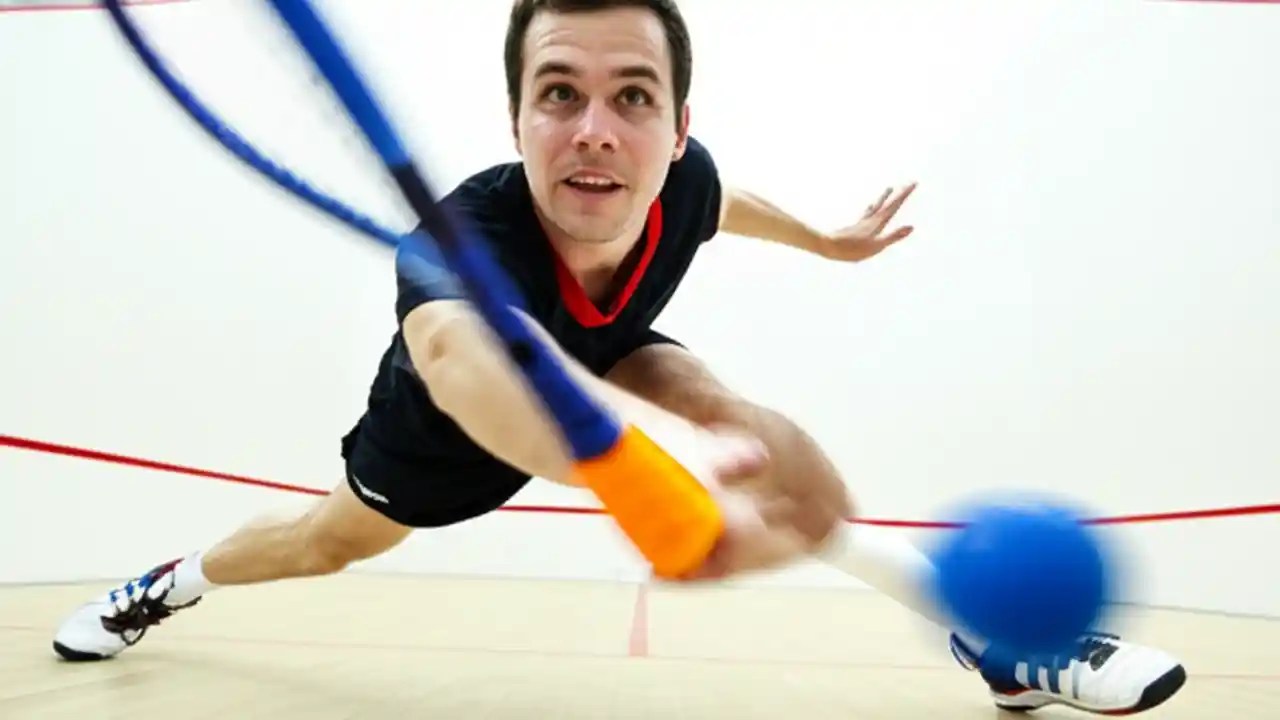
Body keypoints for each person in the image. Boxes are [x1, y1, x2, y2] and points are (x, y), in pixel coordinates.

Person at [53, 0, 1186, 714]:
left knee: (728, 412)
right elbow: (463, 366)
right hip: (446, 435)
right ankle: (168, 586)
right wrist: (645, 484)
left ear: (673, 126)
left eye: (631, 99)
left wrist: (826, 243)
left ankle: (984, 641)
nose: (595, 128)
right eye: (559, 95)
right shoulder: (454, 249)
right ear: (516, 125)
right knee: (320, 544)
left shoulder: (679, 180)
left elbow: (719, 200)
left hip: (613, 346)